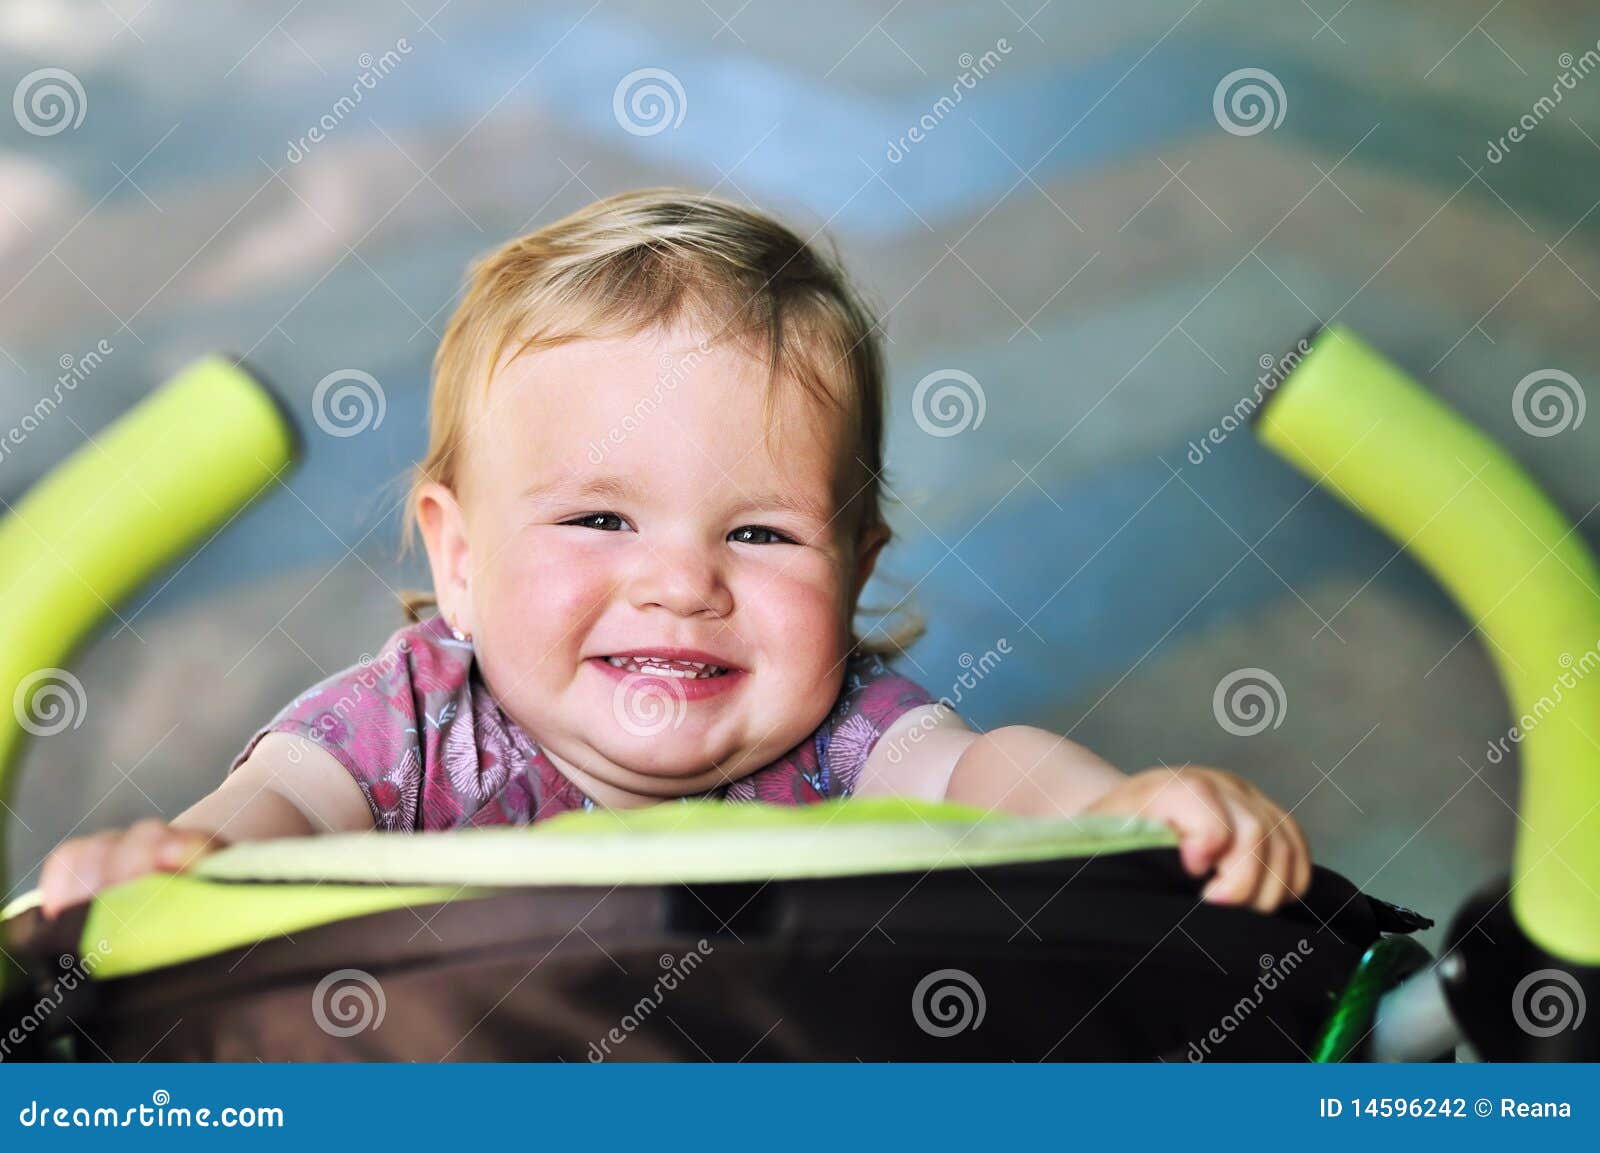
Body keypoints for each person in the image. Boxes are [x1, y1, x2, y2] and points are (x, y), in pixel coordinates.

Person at [38, 189, 1310, 919]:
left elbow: (988, 769)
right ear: (461, 558)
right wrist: (184, 858)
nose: (681, 582)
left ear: (856, 571)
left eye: (758, 532)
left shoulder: (844, 735)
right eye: (599, 518)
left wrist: (1111, 810)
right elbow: (279, 815)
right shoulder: (408, 724)